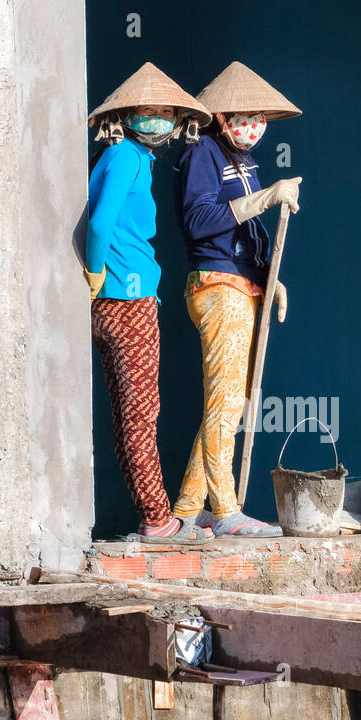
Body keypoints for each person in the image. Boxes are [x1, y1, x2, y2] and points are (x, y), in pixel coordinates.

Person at [170, 62, 303, 539]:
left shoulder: (243, 161)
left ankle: (187, 508)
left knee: (225, 403)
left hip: (243, 284)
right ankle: (226, 510)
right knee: (227, 402)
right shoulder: (202, 151)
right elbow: (201, 220)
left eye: (260, 116)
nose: (255, 124)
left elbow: (250, 232)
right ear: (222, 116)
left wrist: (271, 278)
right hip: (216, 286)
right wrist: (267, 197)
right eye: (246, 114)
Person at [86, 62, 211, 543]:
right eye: (148, 110)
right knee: (142, 414)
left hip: (116, 298)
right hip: (129, 298)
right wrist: (96, 274)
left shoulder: (124, 156)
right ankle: (160, 520)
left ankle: (151, 514)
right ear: (128, 114)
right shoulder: (128, 158)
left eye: (165, 112)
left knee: (126, 416)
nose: (157, 119)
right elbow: (100, 225)